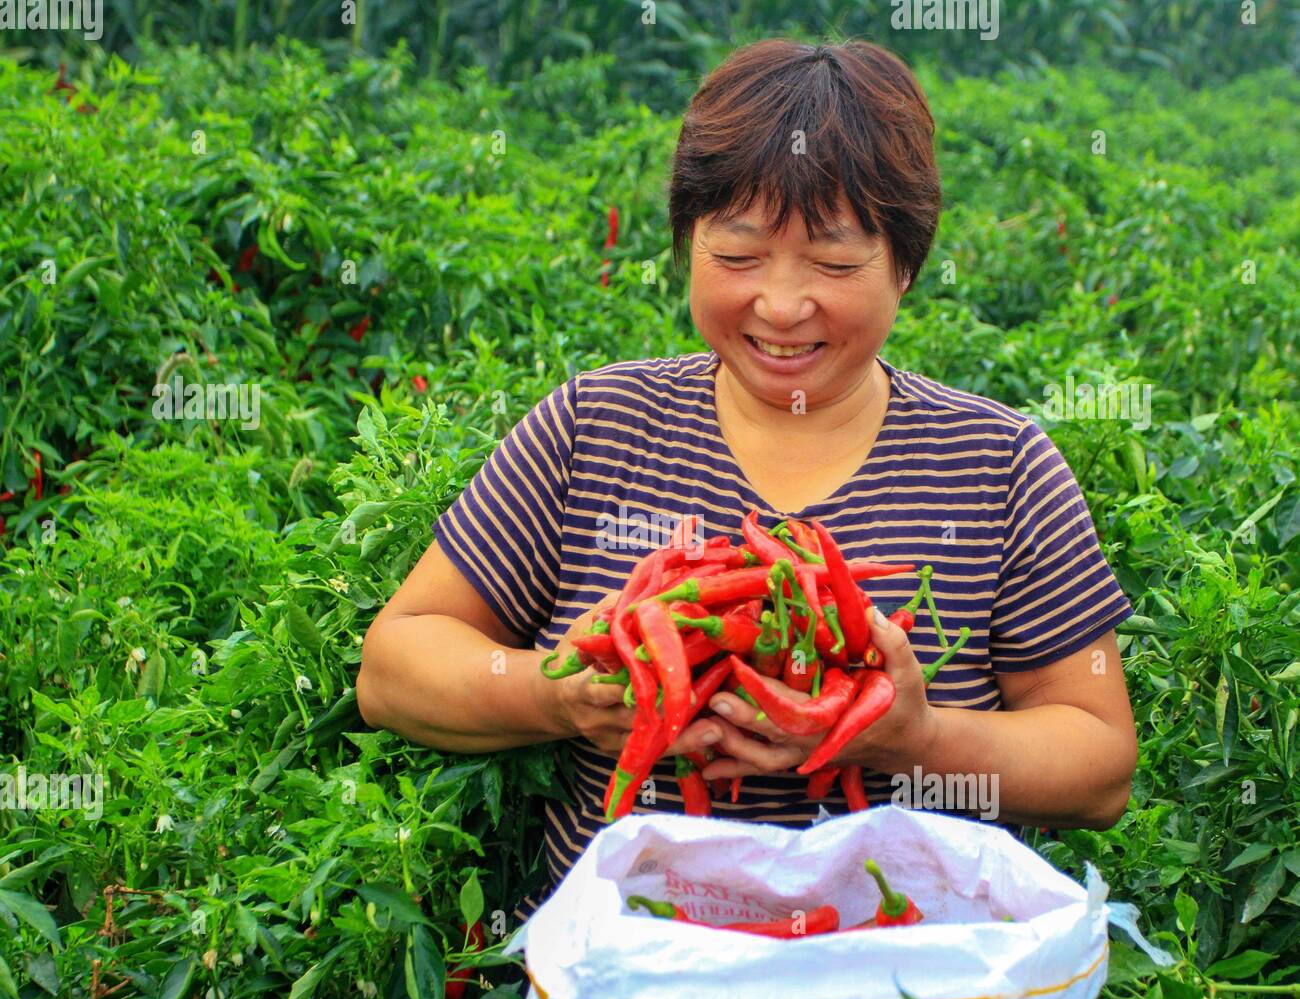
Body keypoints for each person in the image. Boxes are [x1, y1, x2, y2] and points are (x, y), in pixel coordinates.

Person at [356, 38, 1138, 927]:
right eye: (738, 255)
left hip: (906, 996)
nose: (780, 303)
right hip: (634, 988)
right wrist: (558, 693)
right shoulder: (594, 426)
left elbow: (1101, 760)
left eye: (835, 265)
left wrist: (912, 737)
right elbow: (394, 666)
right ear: (687, 244)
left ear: (907, 266)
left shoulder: (1001, 465)